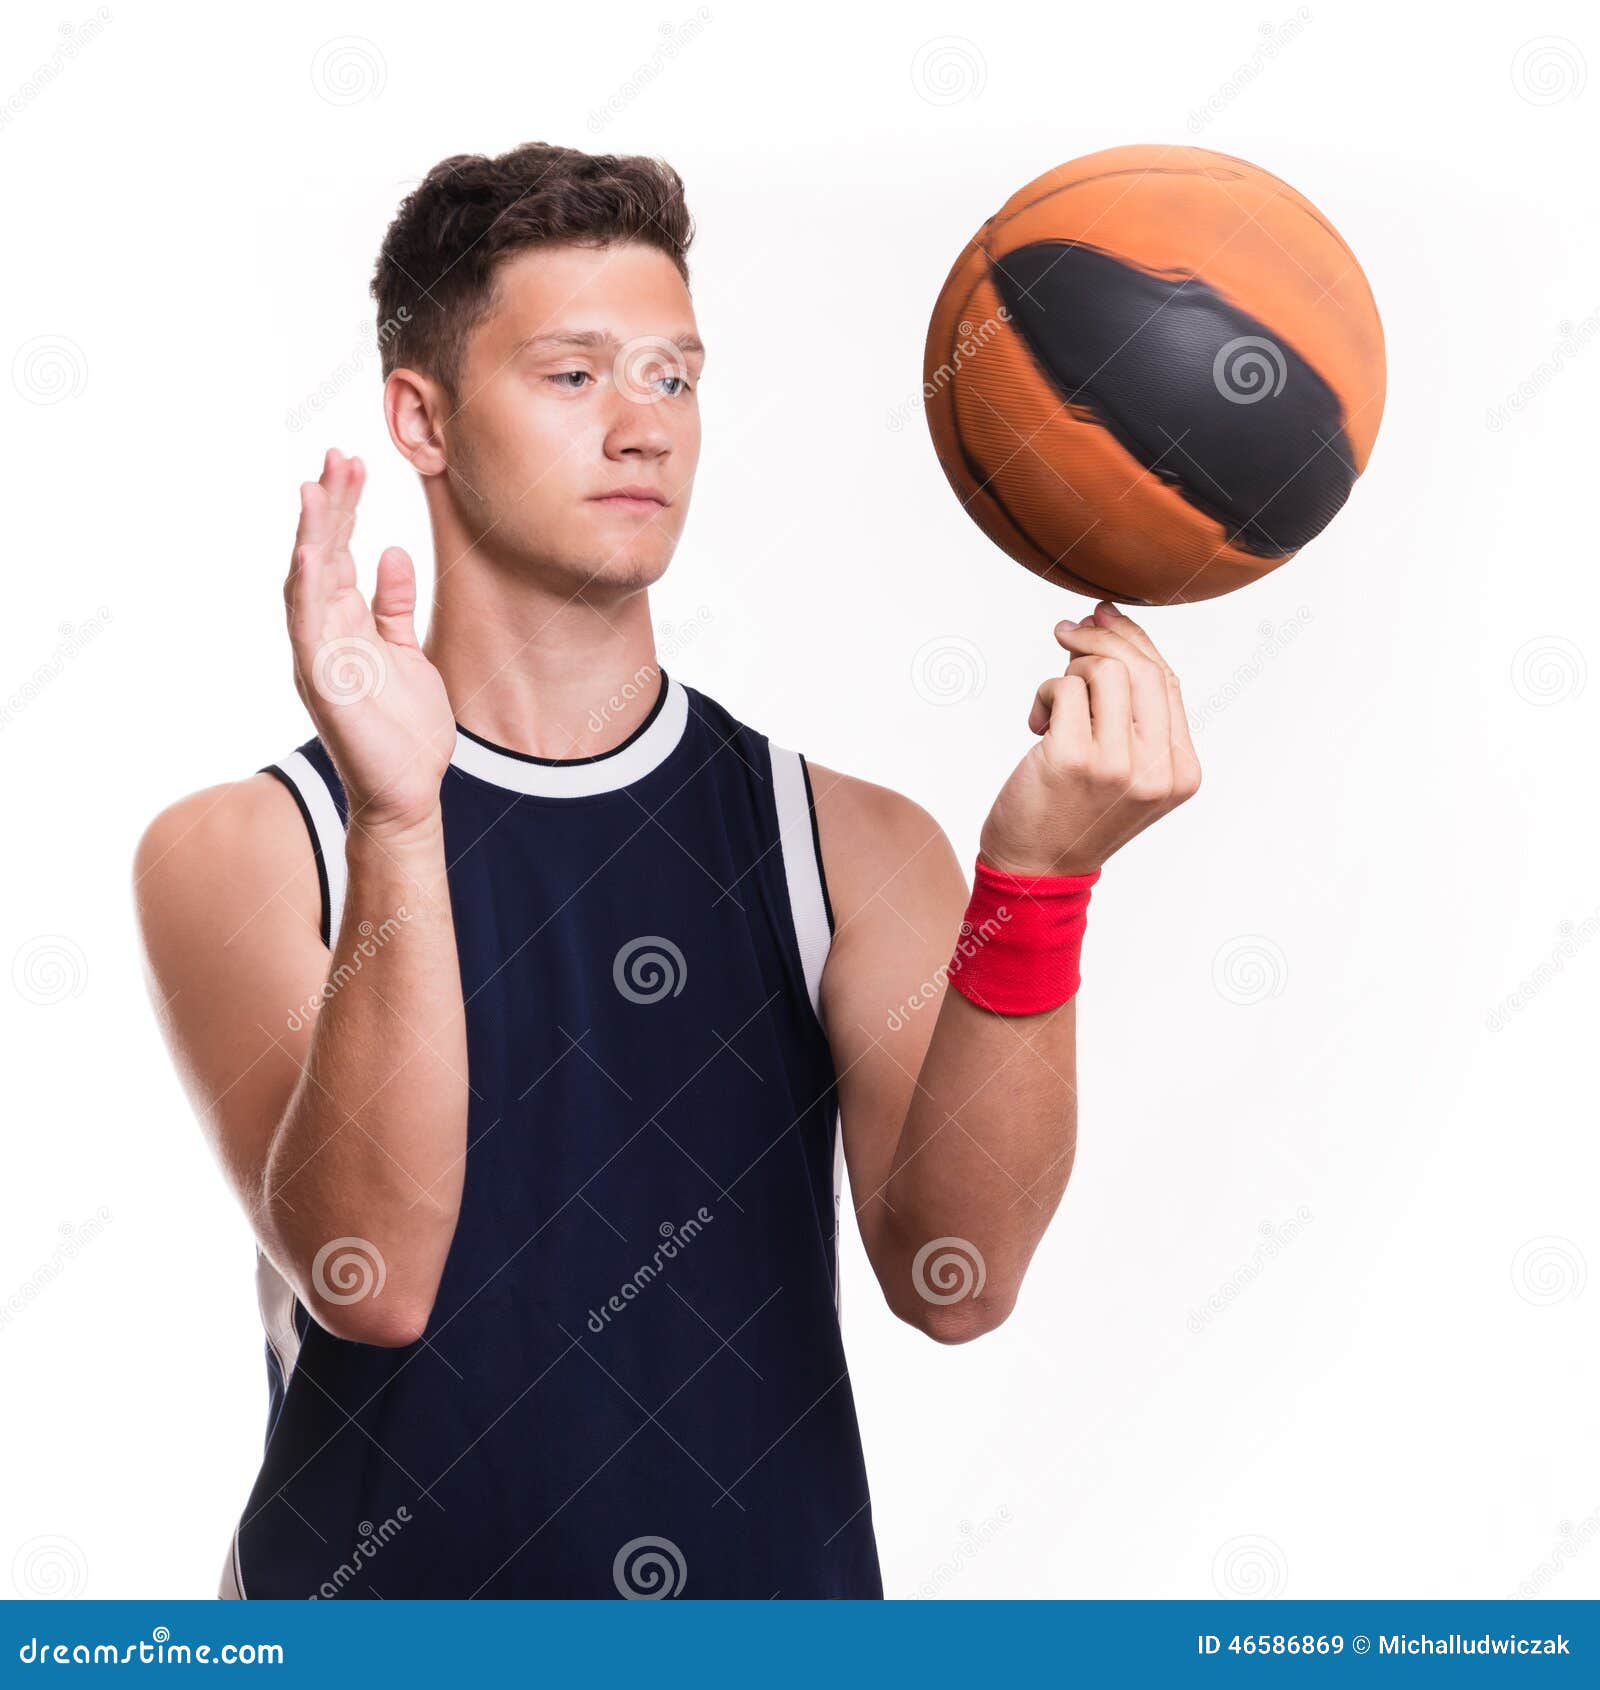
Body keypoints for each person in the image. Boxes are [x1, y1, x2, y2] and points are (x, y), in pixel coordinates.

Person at [133, 141, 1200, 1600]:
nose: (643, 427)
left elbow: (961, 1275)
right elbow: (369, 1279)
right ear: (422, 420)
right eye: (574, 375)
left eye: (673, 376)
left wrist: (1041, 876)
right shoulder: (251, 845)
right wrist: (400, 819)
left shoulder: (849, 841)